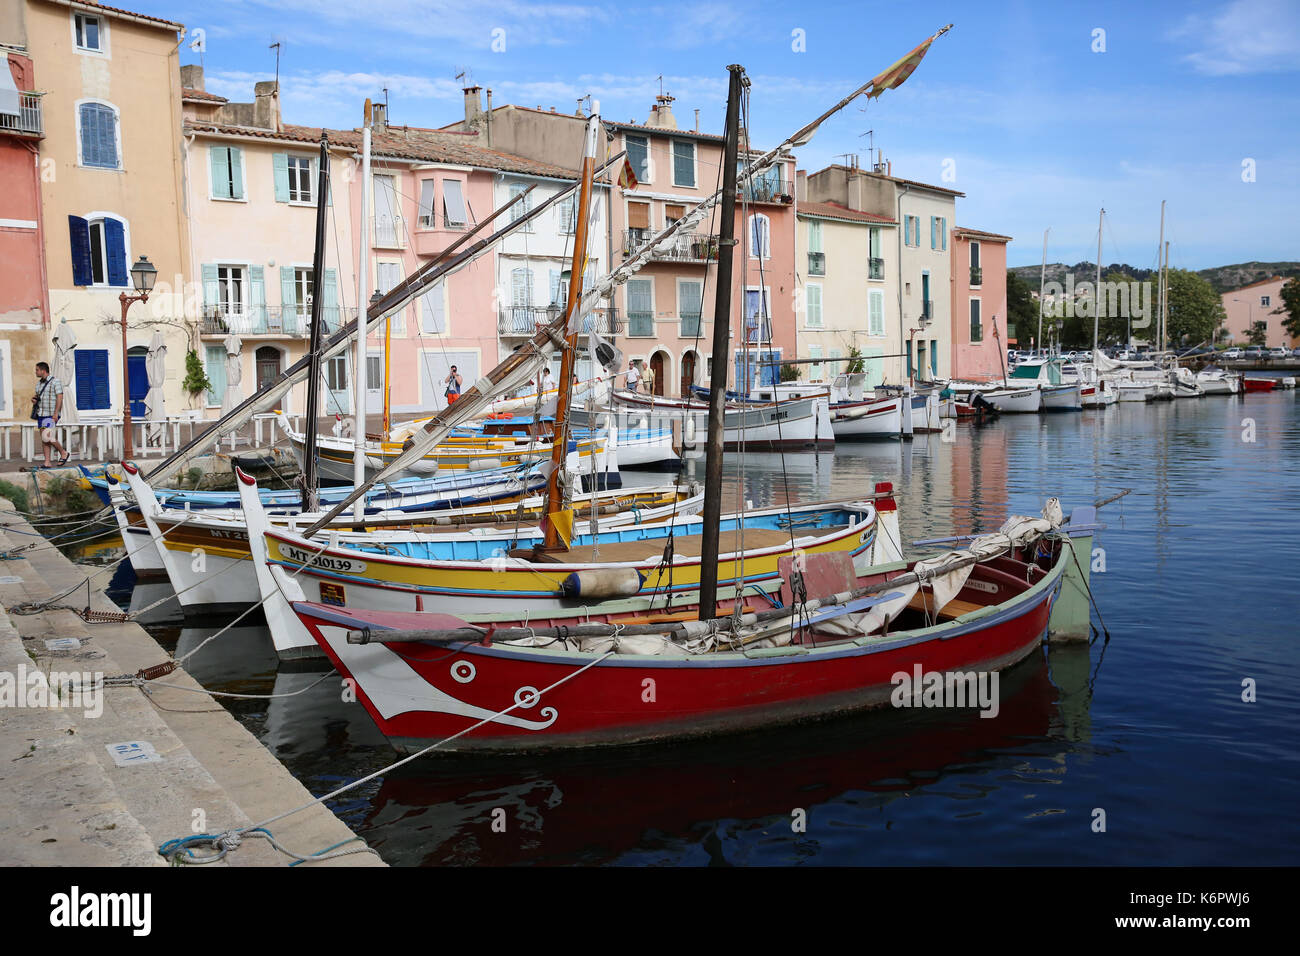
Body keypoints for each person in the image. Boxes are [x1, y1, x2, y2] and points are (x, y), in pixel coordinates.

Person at [32, 361, 69, 468]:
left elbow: (60, 397)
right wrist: (34, 400)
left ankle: (63, 452)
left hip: (51, 414)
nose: (36, 372)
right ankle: (47, 462)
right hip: (41, 414)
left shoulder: (55, 381)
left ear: (43, 370)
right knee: (44, 439)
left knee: (47, 436)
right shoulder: (39, 384)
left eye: (37, 370)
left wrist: (56, 413)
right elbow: (38, 396)